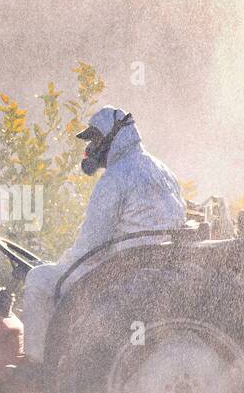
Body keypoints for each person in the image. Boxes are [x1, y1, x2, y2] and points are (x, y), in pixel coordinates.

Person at [22, 105, 186, 362]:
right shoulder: (162, 169)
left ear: (116, 136)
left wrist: (59, 267)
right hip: (152, 265)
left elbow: (90, 247)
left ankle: (36, 365)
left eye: (96, 138)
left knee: (39, 279)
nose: (91, 147)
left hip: (122, 271)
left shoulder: (115, 179)